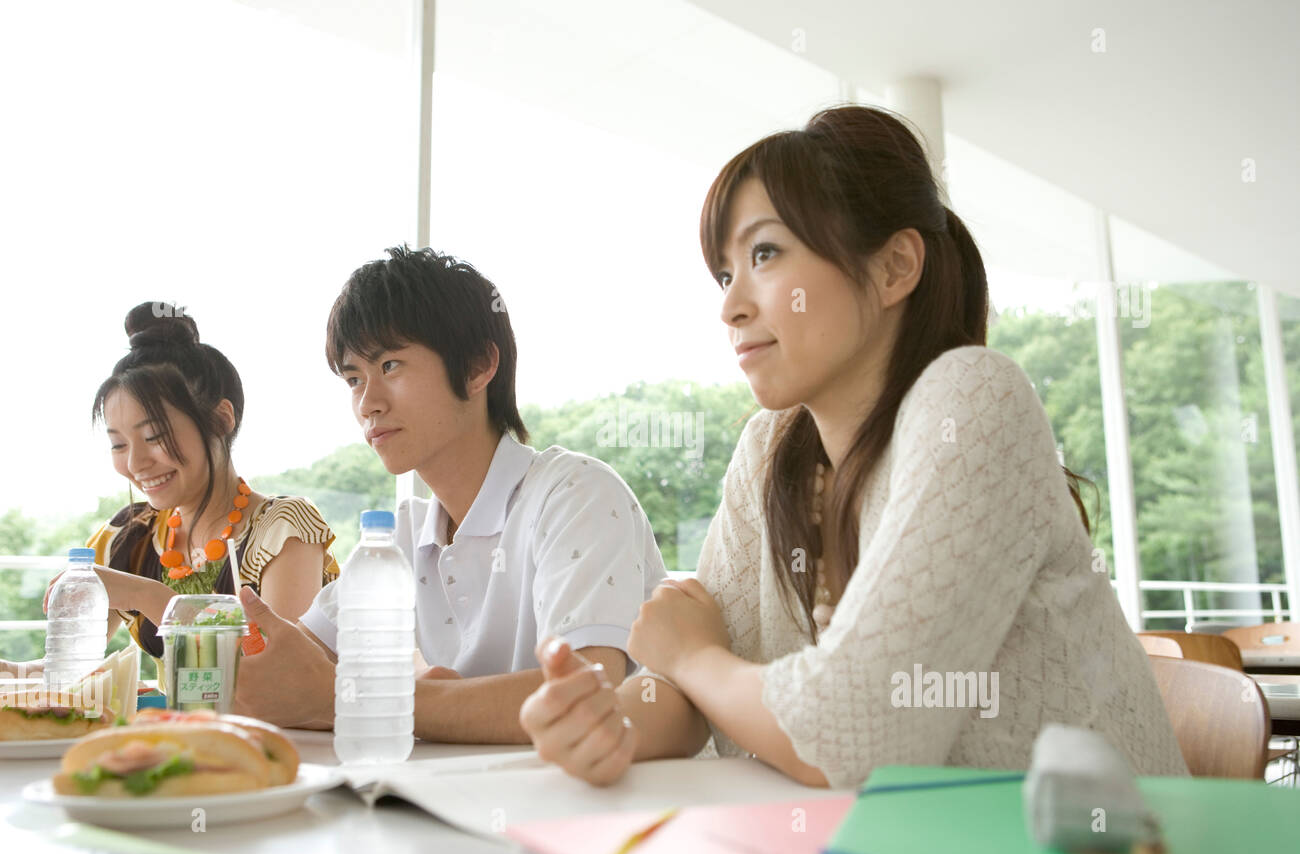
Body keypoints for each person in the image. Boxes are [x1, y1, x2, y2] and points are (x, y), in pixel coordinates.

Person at [519, 105, 1190, 788]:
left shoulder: (973, 399)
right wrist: (609, 721)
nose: (731, 306)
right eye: (725, 274)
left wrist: (691, 657)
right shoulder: (770, 451)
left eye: (765, 254)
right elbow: (691, 692)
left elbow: (862, 734)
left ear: (896, 267)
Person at [233, 247, 667, 742]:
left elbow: (584, 691)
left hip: (614, 804)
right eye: (354, 379)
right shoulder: (402, 535)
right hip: (465, 800)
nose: (368, 403)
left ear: (479, 366)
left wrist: (355, 699)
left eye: (391, 365)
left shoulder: (574, 493)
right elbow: (300, 662)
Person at [41, 303, 339, 664]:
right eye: (118, 444)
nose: (135, 464)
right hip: (174, 723)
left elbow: (282, 675)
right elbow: (70, 669)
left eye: (154, 436)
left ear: (220, 419)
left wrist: (149, 596)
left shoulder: (282, 528)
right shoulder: (130, 536)